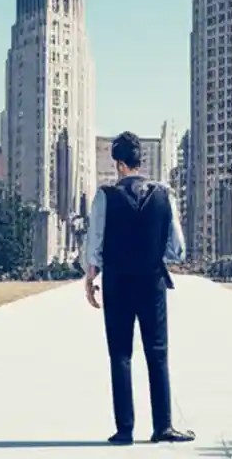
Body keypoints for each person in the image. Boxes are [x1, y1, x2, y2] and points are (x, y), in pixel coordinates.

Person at [82, 131, 195, 446]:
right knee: (157, 354)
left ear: (119, 164)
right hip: (152, 283)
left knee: (120, 354)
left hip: (117, 283)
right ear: (139, 161)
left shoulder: (105, 196)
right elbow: (178, 250)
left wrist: (91, 278)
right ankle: (163, 426)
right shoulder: (164, 194)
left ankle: (125, 430)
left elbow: (95, 243)